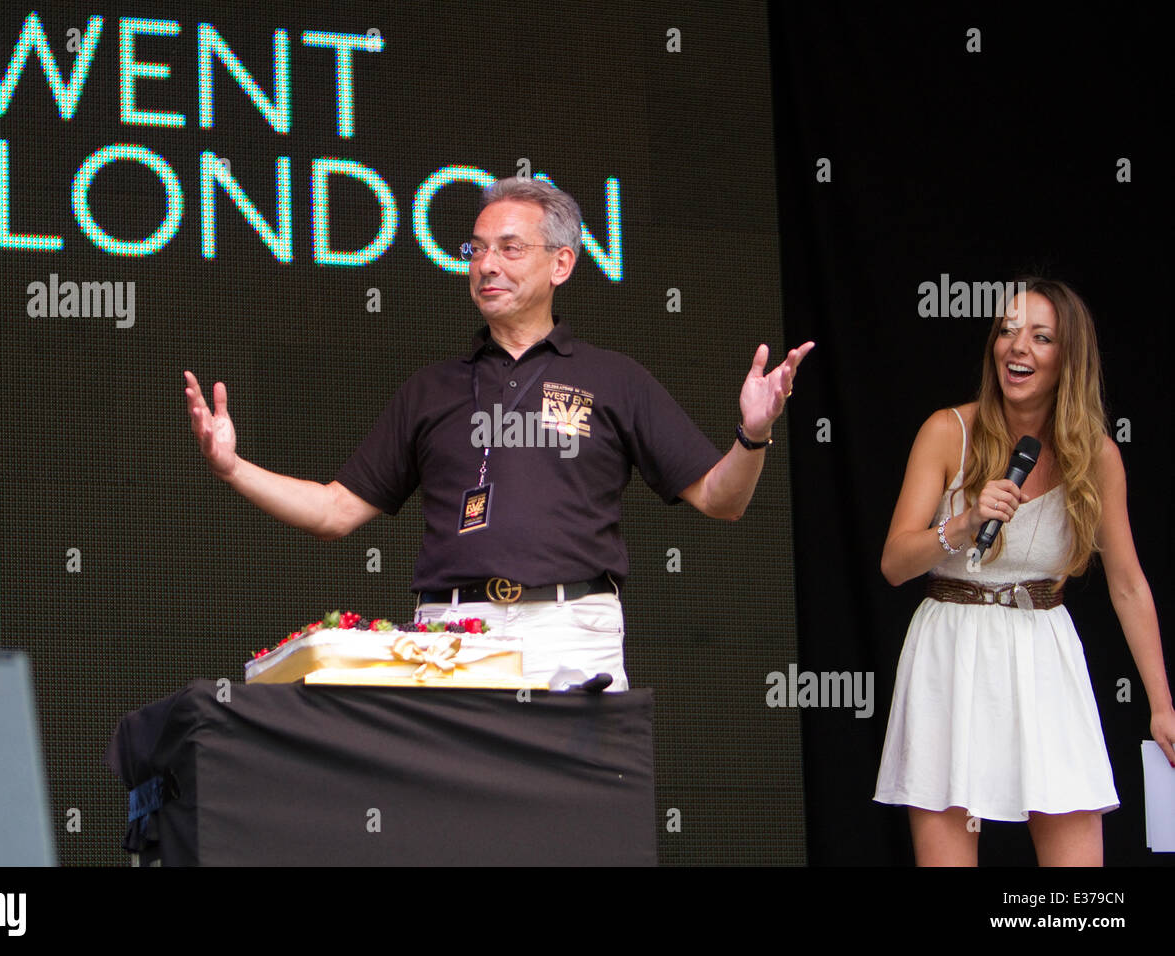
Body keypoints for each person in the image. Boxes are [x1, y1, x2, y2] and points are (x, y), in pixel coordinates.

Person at [184, 177, 813, 689]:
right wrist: (234, 468)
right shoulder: (431, 389)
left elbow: (721, 500)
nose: (488, 264)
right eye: (476, 249)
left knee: (578, 833)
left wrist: (751, 436)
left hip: (573, 629)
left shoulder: (614, 378)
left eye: (511, 248)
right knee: (458, 833)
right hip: (450, 636)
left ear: (561, 264)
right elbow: (334, 510)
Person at [874, 276, 1175, 865]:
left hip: (1044, 651)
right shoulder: (946, 432)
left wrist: (1162, 705)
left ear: (1069, 357)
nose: (1019, 348)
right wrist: (960, 526)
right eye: (1008, 332)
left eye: (1041, 337)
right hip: (951, 647)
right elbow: (893, 565)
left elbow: (1128, 583)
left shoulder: (1096, 454)